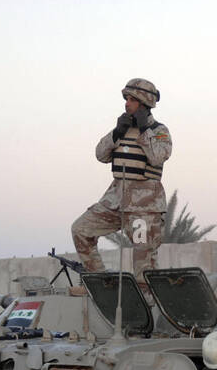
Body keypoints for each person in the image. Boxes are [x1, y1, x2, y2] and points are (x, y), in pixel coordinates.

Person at [70, 78, 171, 280]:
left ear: (145, 103)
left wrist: (144, 130)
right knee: (81, 229)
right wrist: (117, 133)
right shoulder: (122, 128)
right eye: (126, 98)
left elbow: (158, 156)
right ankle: (100, 281)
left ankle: (148, 304)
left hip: (143, 207)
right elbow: (101, 155)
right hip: (114, 201)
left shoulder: (160, 131)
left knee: (144, 261)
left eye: (132, 99)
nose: (127, 103)